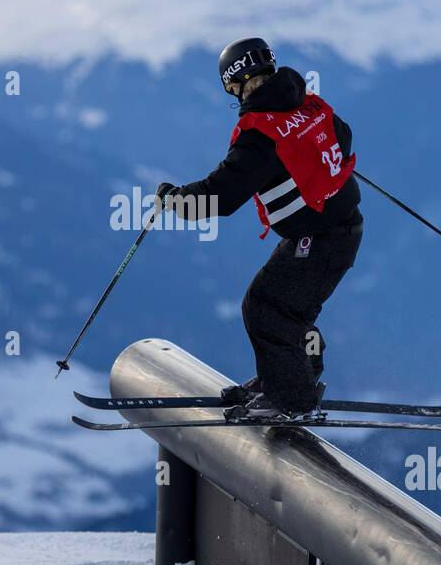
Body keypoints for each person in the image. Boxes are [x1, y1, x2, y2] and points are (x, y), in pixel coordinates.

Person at [156, 37, 364, 421]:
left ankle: (292, 399)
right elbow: (344, 134)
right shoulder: (305, 102)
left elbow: (220, 195)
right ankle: (284, 379)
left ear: (235, 82)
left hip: (321, 238)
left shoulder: (260, 135)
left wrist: (174, 200)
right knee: (285, 305)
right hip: (338, 228)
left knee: (266, 306)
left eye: (230, 89)